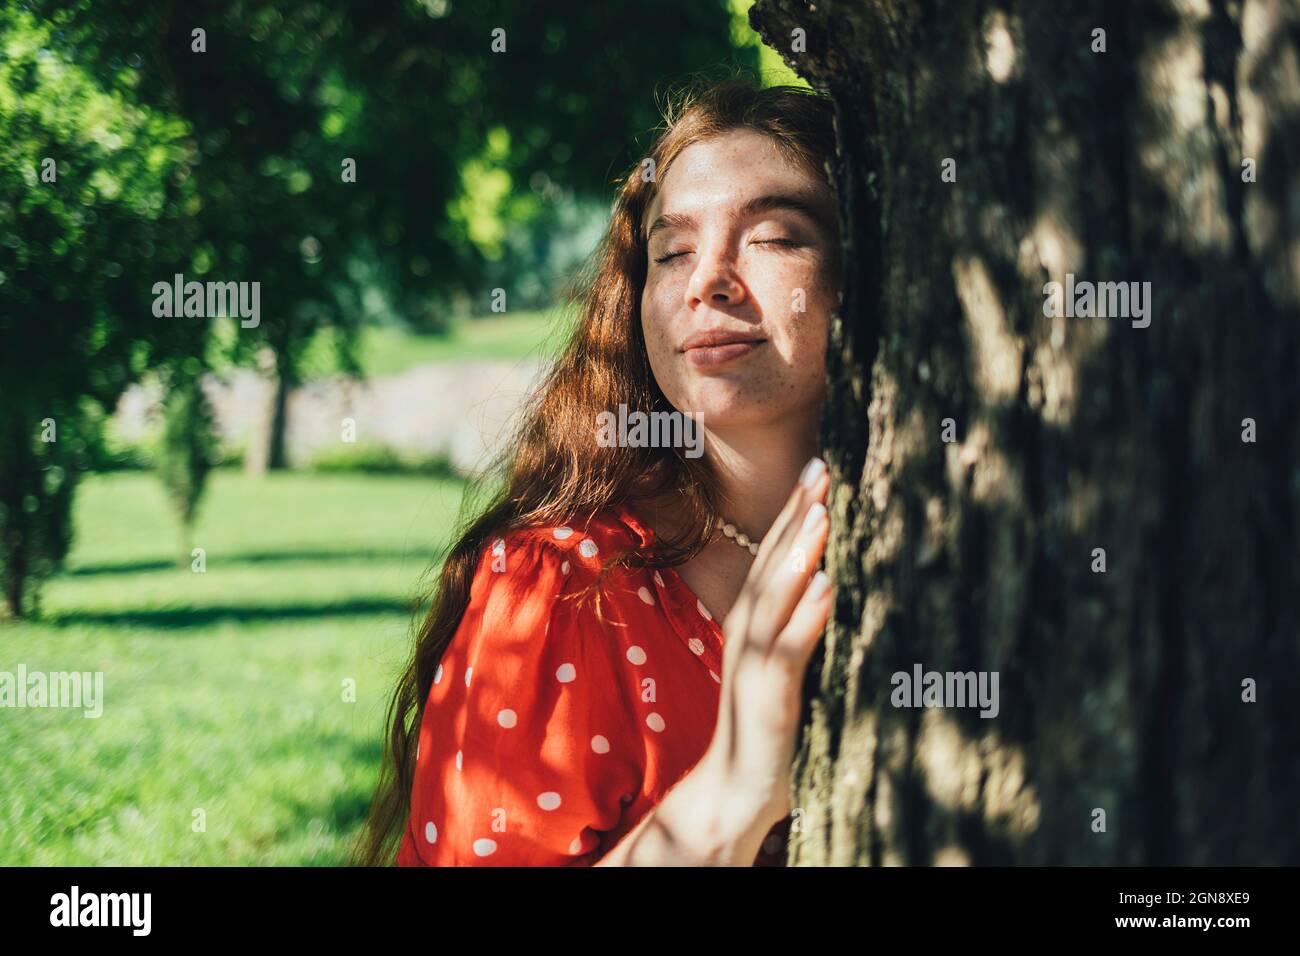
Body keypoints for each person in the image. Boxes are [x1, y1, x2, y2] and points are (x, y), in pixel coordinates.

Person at [356, 74, 842, 866]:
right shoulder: (564, 590)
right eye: (673, 251)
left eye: (775, 236)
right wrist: (734, 788)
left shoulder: (964, 538)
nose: (707, 280)